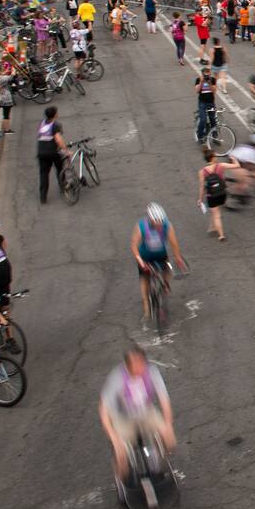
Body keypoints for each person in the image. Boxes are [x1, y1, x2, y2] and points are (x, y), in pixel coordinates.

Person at [99, 345, 176, 488]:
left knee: (169, 439)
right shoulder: (117, 379)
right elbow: (104, 411)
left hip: (146, 412)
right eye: (136, 365)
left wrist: (168, 426)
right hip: (123, 419)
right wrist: (115, 440)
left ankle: (155, 459)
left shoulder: (151, 372)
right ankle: (122, 481)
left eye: (142, 364)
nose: (141, 369)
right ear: (127, 367)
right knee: (121, 455)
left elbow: (164, 400)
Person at [132, 203, 184, 322]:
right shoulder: (141, 226)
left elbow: (173, 242)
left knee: (167, 268)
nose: (160, 224)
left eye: (161, 221)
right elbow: (134, 245)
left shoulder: (167, 225)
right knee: (144, 278)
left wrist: (178, 257)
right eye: (157, 221)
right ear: (150, 219)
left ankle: (165, 284)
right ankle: (146, 307)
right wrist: (140, 261)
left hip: (160, 254)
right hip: (145, 256)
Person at [198, 147, 236, 241]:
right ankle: (213, 227)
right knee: (216, 211)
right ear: (212, 158)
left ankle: (221, 235)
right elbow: (237, 165)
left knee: (216, 214)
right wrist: (234, 159)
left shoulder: (202, 172)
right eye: (215, 156)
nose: (216, 157)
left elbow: (202, 187)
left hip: (212, 196)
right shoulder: (221, 166)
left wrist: (200, 199)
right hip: (222, 194)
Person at [36, 106, 70, 204]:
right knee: (60, 169)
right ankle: (63, 187)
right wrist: (66, 150)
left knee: (44, 174)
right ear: (55, 114)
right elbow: (58, 139)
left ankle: (43, 197)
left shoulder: (42, 123)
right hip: (53, 152)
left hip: (41, 152)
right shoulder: (55, 125)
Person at [195, 67, 217, 143]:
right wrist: (201, 82)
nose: (207, 76)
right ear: (202, 74)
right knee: (203, 120)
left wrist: (209, 82)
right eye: (205, 75)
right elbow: (197, 91)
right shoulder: (198, 80)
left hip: (211, 102)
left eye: (208, 74)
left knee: (213, 119)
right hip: (202, 103)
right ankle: (200, 136)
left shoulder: (213, 80)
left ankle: (214, 135)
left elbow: (214, 91)